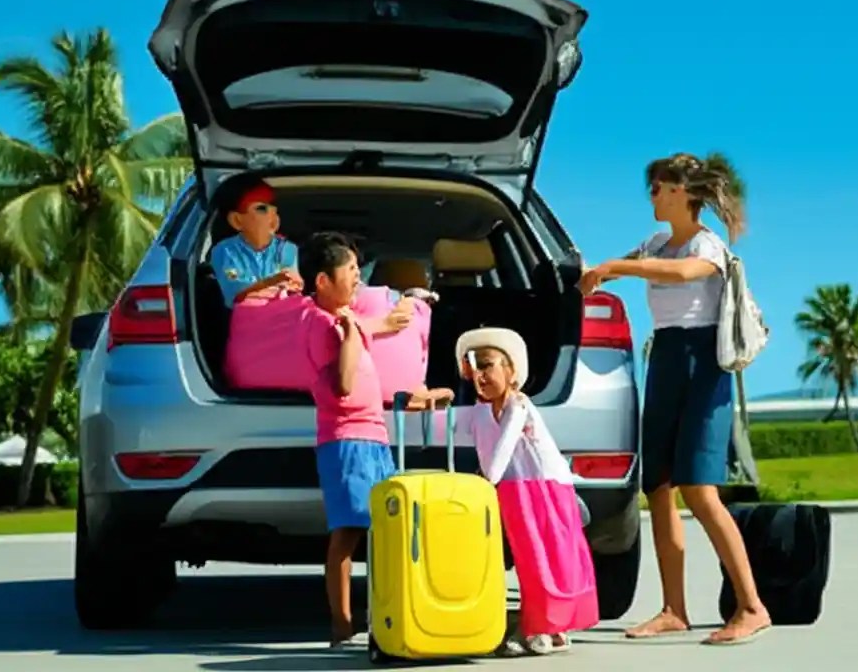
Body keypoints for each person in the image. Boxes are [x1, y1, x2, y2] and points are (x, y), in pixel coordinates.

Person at [578, 152, 771, 646]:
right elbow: (633, 268)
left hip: (702, 364)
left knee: (700, 490)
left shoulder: (708, 246)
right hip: (663, 357)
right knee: (658, 486)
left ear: (684, 192)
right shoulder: (656, 243)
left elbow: (682, 275)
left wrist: (616, 265)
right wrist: (588, 271)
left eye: (660, 188)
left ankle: (752, 606)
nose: (653, 196)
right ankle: (673, 609)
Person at [299, 231, 453, 647]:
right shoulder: (319, 323)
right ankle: (342, 625)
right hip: (346, 440)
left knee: (385, 530)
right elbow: (345, 383)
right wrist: (354, 328)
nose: (356, 277)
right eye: (349, 270)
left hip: (372, 436)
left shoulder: (345, 321)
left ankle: (384, 614)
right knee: (347, 534)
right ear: (322, 281)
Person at [455, 328, 598, 656]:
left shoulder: (518, 405)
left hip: (544, 489)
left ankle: (542, 626)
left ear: (510, 371)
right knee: (528, 559)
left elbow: (501, 452)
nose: (481, 375)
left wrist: (485, 479)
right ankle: (547, 626)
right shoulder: (479, 411)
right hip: (514, 491)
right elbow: (449, 425)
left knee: (545, 557)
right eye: (473, 367)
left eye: (488, 365)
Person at [209, 172, 302, 308]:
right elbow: (236, 293)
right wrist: (271, 282)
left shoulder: (288, 249)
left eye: (274, 210)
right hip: (245, 320)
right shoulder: (225, 251)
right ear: (237, 220)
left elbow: (294, 289)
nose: (272, 217)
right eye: (262, 209)